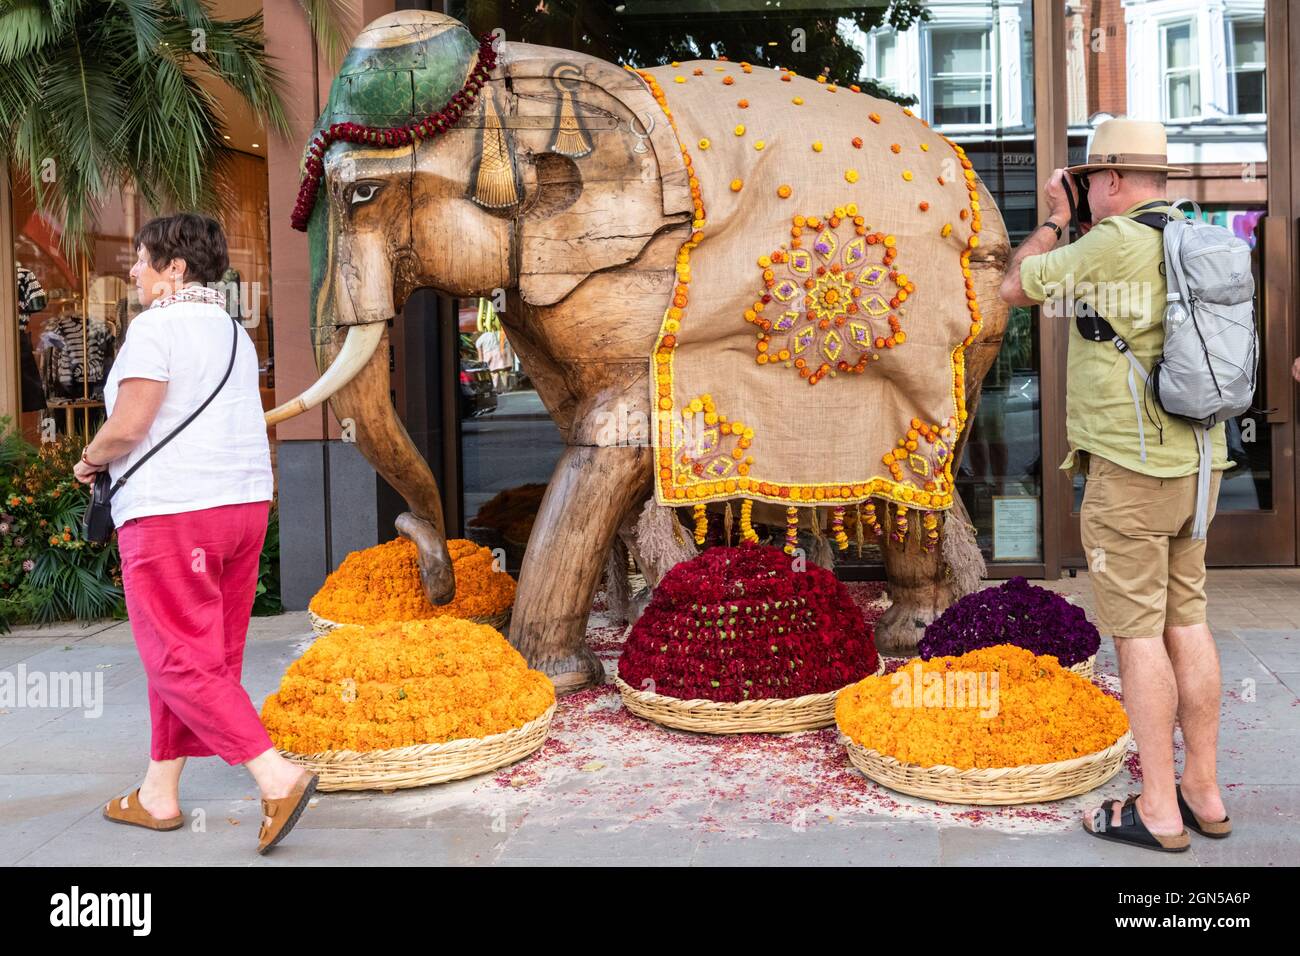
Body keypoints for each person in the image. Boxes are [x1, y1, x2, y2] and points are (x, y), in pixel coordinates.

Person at [998, 119, 1232, 852]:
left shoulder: (1111, 240)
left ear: (1115, 181)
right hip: (1201, 463)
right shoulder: (1193, 237)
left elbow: (1015, 286)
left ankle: (1158, 807)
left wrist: (1053, 220)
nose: (1088, 190)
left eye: (1091, 178)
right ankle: (1204, 789)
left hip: (1131, 470)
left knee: (1137, 636)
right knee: (1186, 619)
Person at [73, 213, 316, 854]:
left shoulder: (155, 329)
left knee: (177, 658)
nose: (133, 269)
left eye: (142, 258)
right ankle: (159, 792)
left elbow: (129, 426)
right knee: (204, 659)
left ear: (174, 267)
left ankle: (276, 775)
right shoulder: (235, 331)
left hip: (174, 513)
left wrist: (91, 458)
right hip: (243, 508)